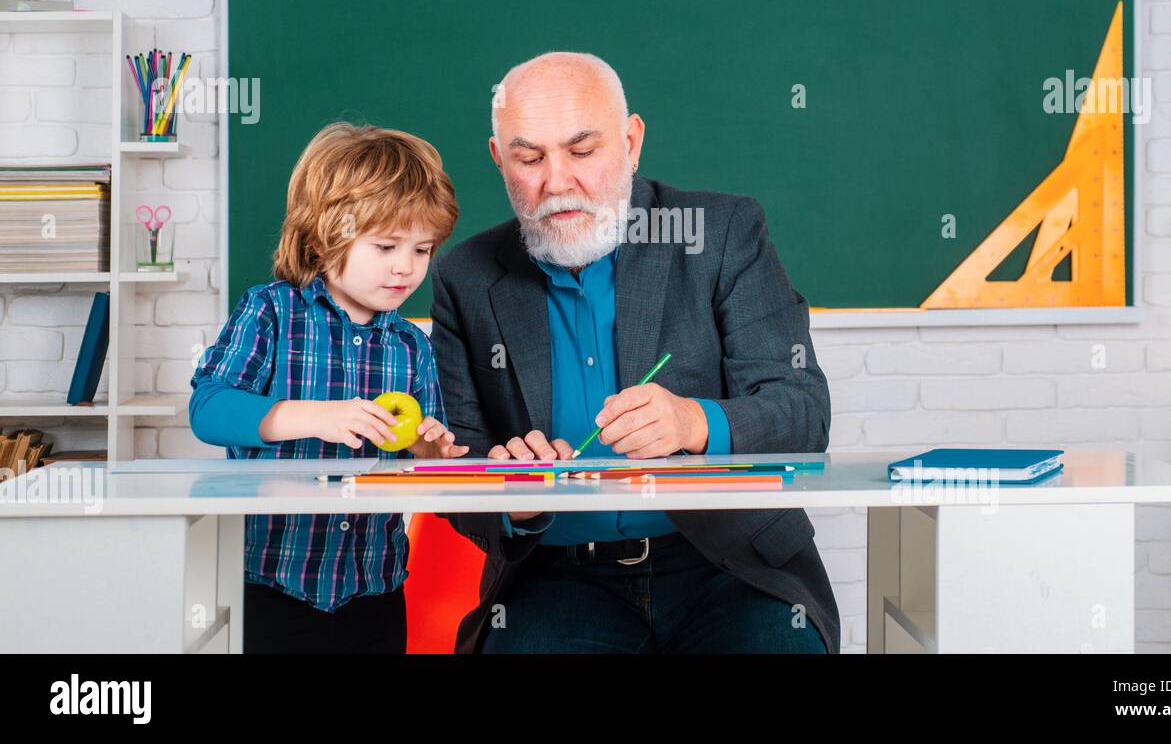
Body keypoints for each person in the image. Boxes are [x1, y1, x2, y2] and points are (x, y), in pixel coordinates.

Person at [430, 52, 838, 653]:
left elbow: (804, 410)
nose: (557, 181)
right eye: (529, 157)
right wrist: (513, 495)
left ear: (631, 140)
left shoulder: (722, 232)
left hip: (731, 569)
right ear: (499, 160)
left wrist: (694, 421)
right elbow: (456, 462)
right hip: (554, 578)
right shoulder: (464, 276)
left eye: (583, 150)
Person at [189, 122, 464, 653]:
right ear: (326, 234)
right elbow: (209, 407)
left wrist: (430, 449)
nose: (406, 267)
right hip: (269, 586)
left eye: (423, 250)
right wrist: (318, 417)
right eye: (386, 245)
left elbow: (421, 461)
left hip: (374, 590)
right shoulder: (271, 311)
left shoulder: (413, 345)